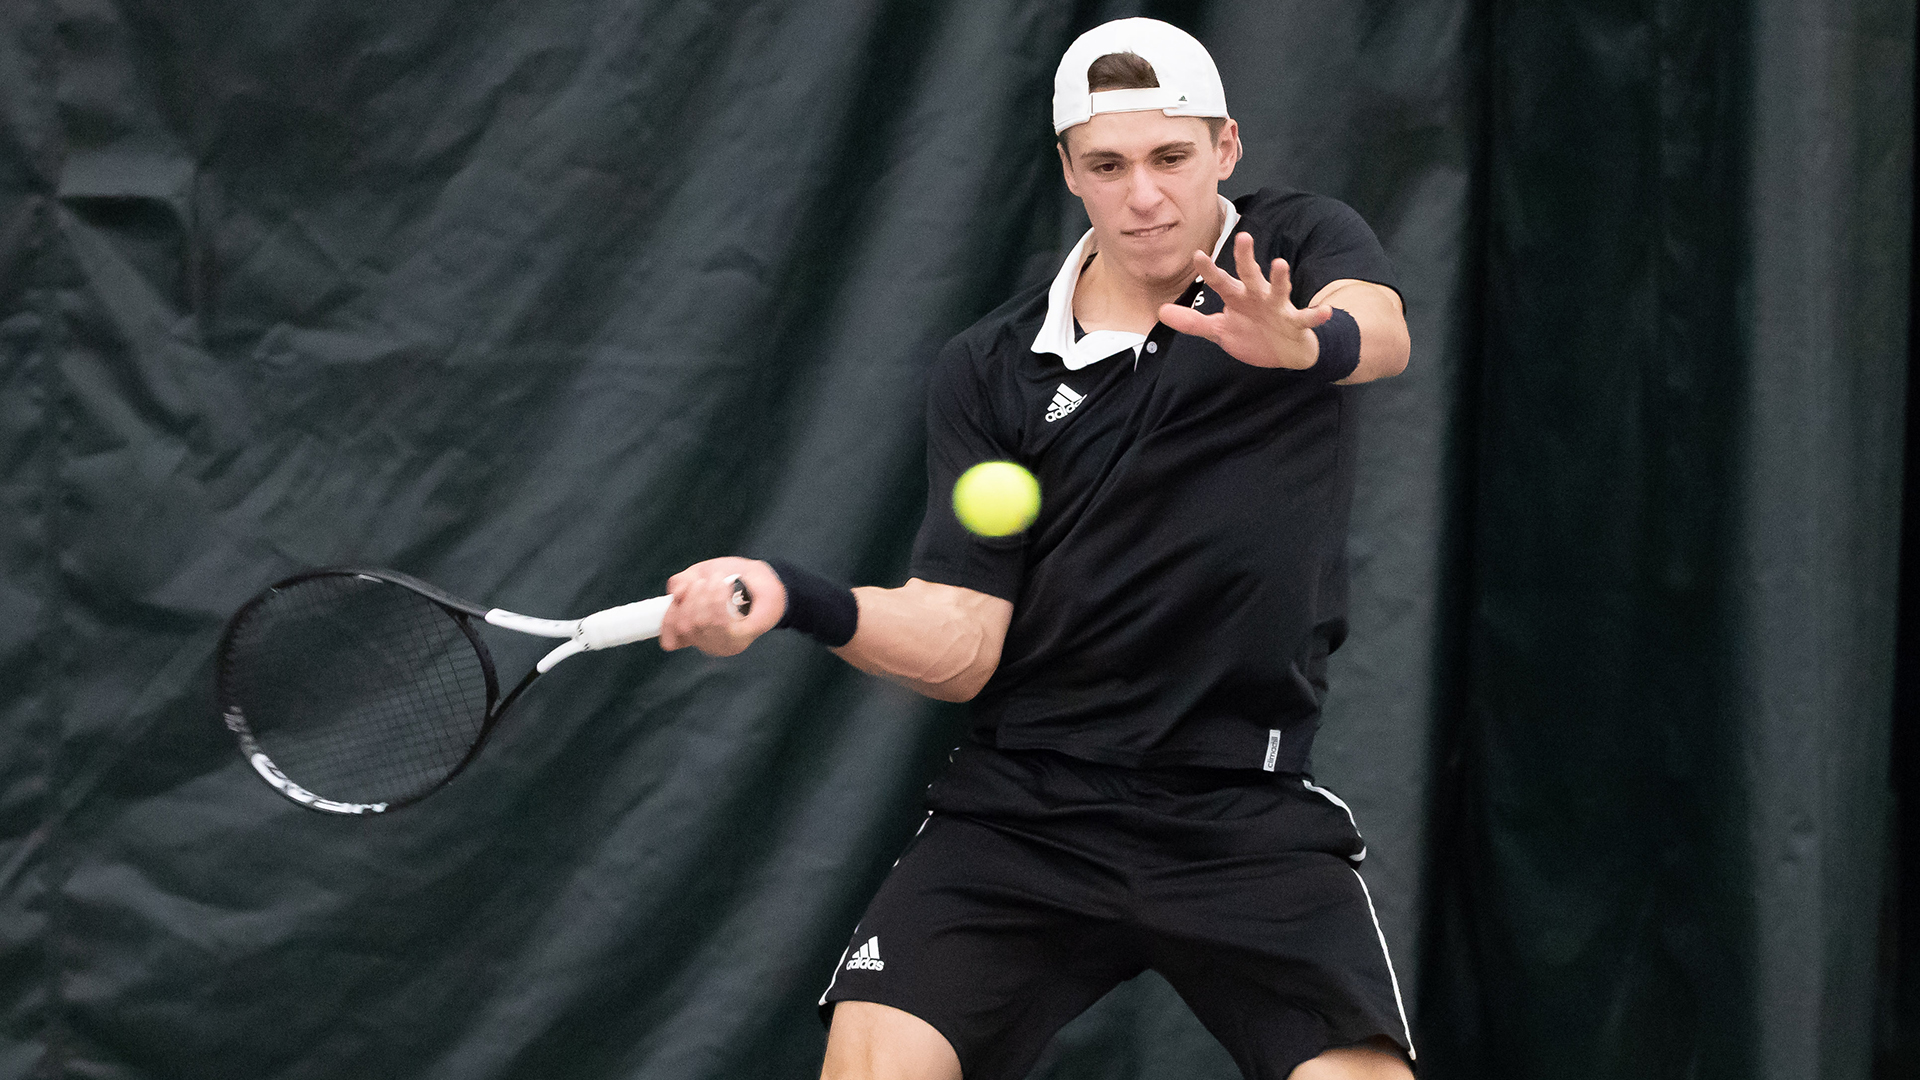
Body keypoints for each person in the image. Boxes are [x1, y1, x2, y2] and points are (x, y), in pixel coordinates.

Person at [658, 17, 1414, 1080]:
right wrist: (795, 597)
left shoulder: (1289, 250)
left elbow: (1379, 332)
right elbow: (961, 641)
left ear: (1226, 149)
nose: (1142, 195)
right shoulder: (988, 370)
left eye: (1170, 158)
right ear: (1068, 169)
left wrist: (1303, 343)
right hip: (1025, 811)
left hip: (1239, 808)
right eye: (1107, 165)